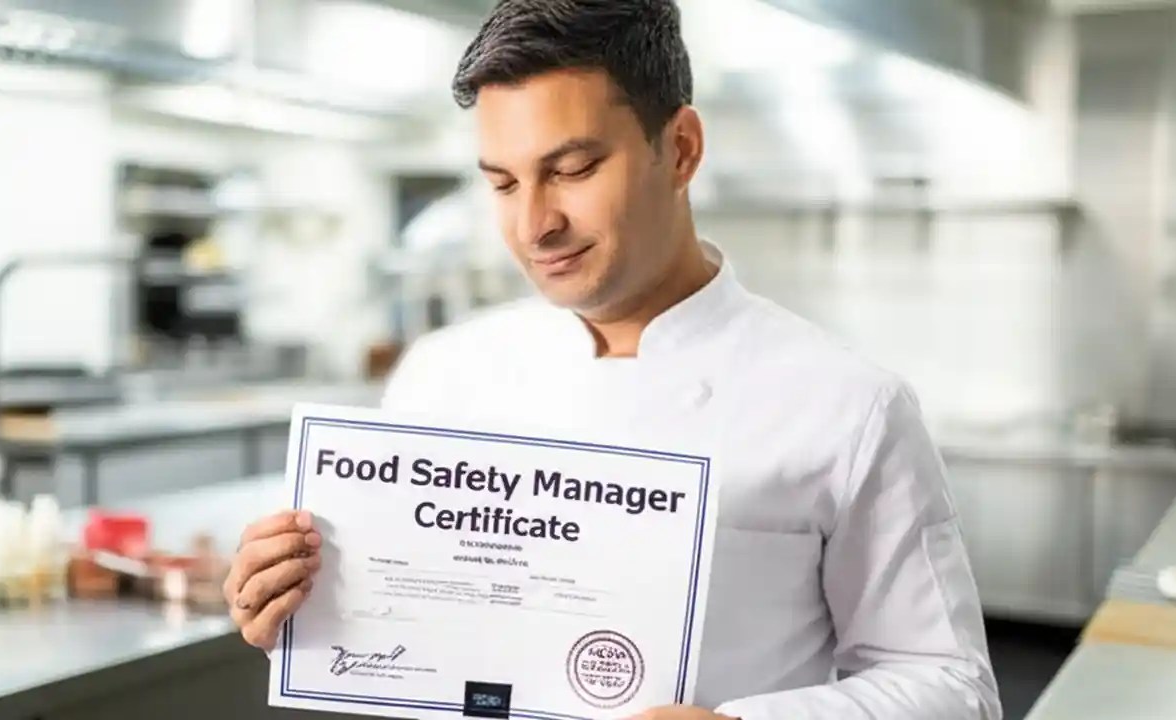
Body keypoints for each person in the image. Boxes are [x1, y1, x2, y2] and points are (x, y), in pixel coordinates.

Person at [221, 1, 1003, 718]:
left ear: (682, 149)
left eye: (571, 170)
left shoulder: (848, 406)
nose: (534, 224)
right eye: (502, 182)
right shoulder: (442, 372)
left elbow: (951, 684)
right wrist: (301, 608)